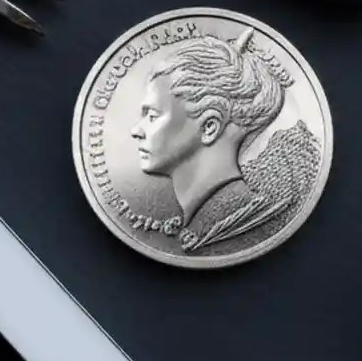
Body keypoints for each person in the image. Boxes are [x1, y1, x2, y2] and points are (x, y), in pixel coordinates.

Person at [130, 28, 313, 252]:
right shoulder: (204, 220)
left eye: (152, 116)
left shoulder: (235, 221)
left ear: (209, 127)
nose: (135, 130)